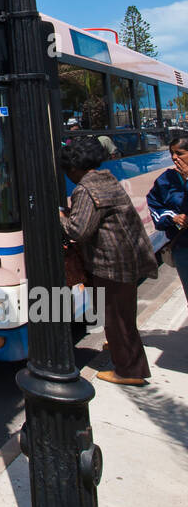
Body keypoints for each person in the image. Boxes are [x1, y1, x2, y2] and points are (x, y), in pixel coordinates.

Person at [61, 133, 157, 386]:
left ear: (76, 168)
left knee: (118, 318)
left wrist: (58, 216)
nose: (68, 175)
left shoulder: (86, 188)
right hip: (125, 259)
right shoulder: (104, 179)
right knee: (120, 316)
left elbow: (77, 230)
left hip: (111, 263)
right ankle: (119, 350)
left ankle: (130, 371)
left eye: (68, 169)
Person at [147, 135, 188, 302]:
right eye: (172, 153)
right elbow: (155, 206)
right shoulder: (166, 180)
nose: (174, 158)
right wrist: (173, 217)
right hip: (183, 247)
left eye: (180, 153)